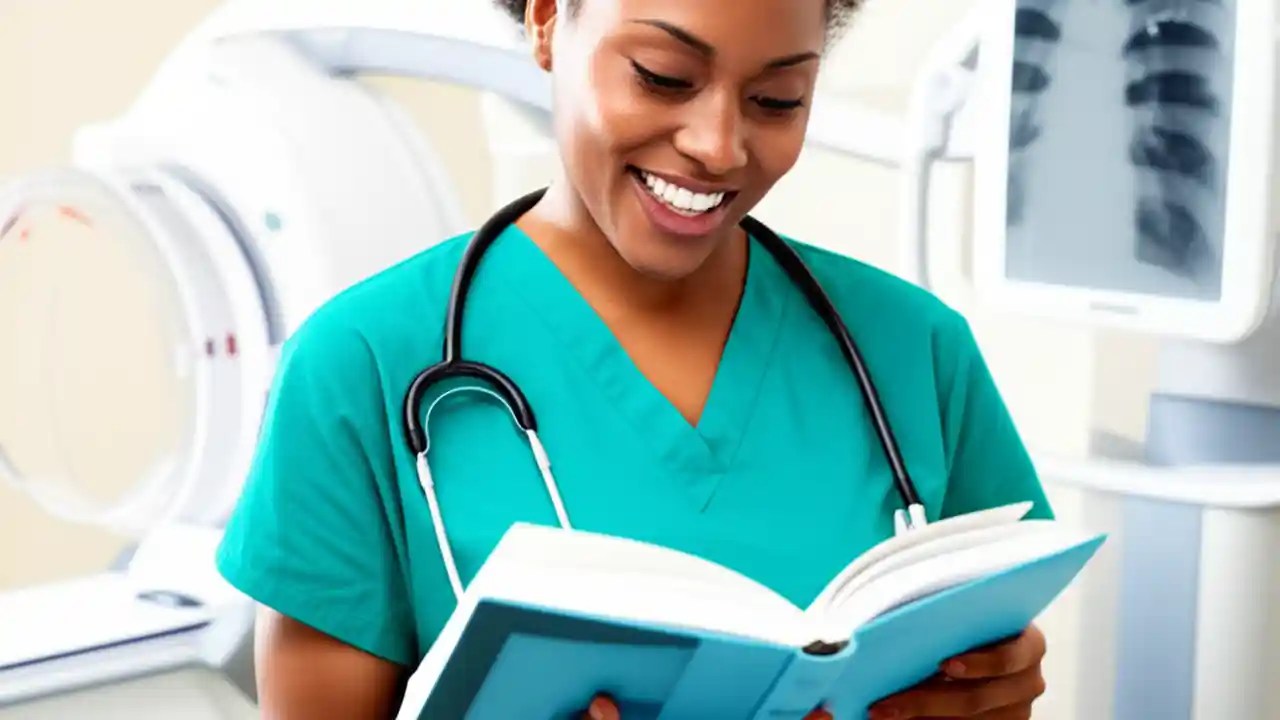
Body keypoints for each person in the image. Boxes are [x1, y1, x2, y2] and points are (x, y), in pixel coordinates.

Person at [214, 0, 1055, 717]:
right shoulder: (359, 365)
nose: (719, 146)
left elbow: (981, 669)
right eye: (663, 76)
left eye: (776, 98)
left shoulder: (913, 348)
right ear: (549, 19)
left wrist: (993, 693)